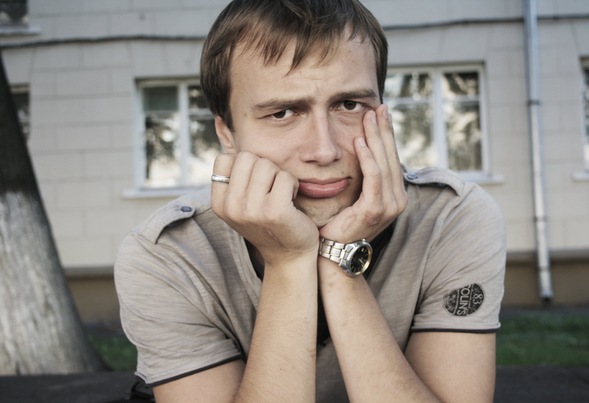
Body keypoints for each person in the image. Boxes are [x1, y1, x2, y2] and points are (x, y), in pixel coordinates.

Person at [115, 0, 506, 402]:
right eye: (283, 112)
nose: (324, 150)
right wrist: (288, 262)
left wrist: (339, 262)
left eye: (349, 105)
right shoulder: (168, 256)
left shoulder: (452, 220)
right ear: (226, 133)